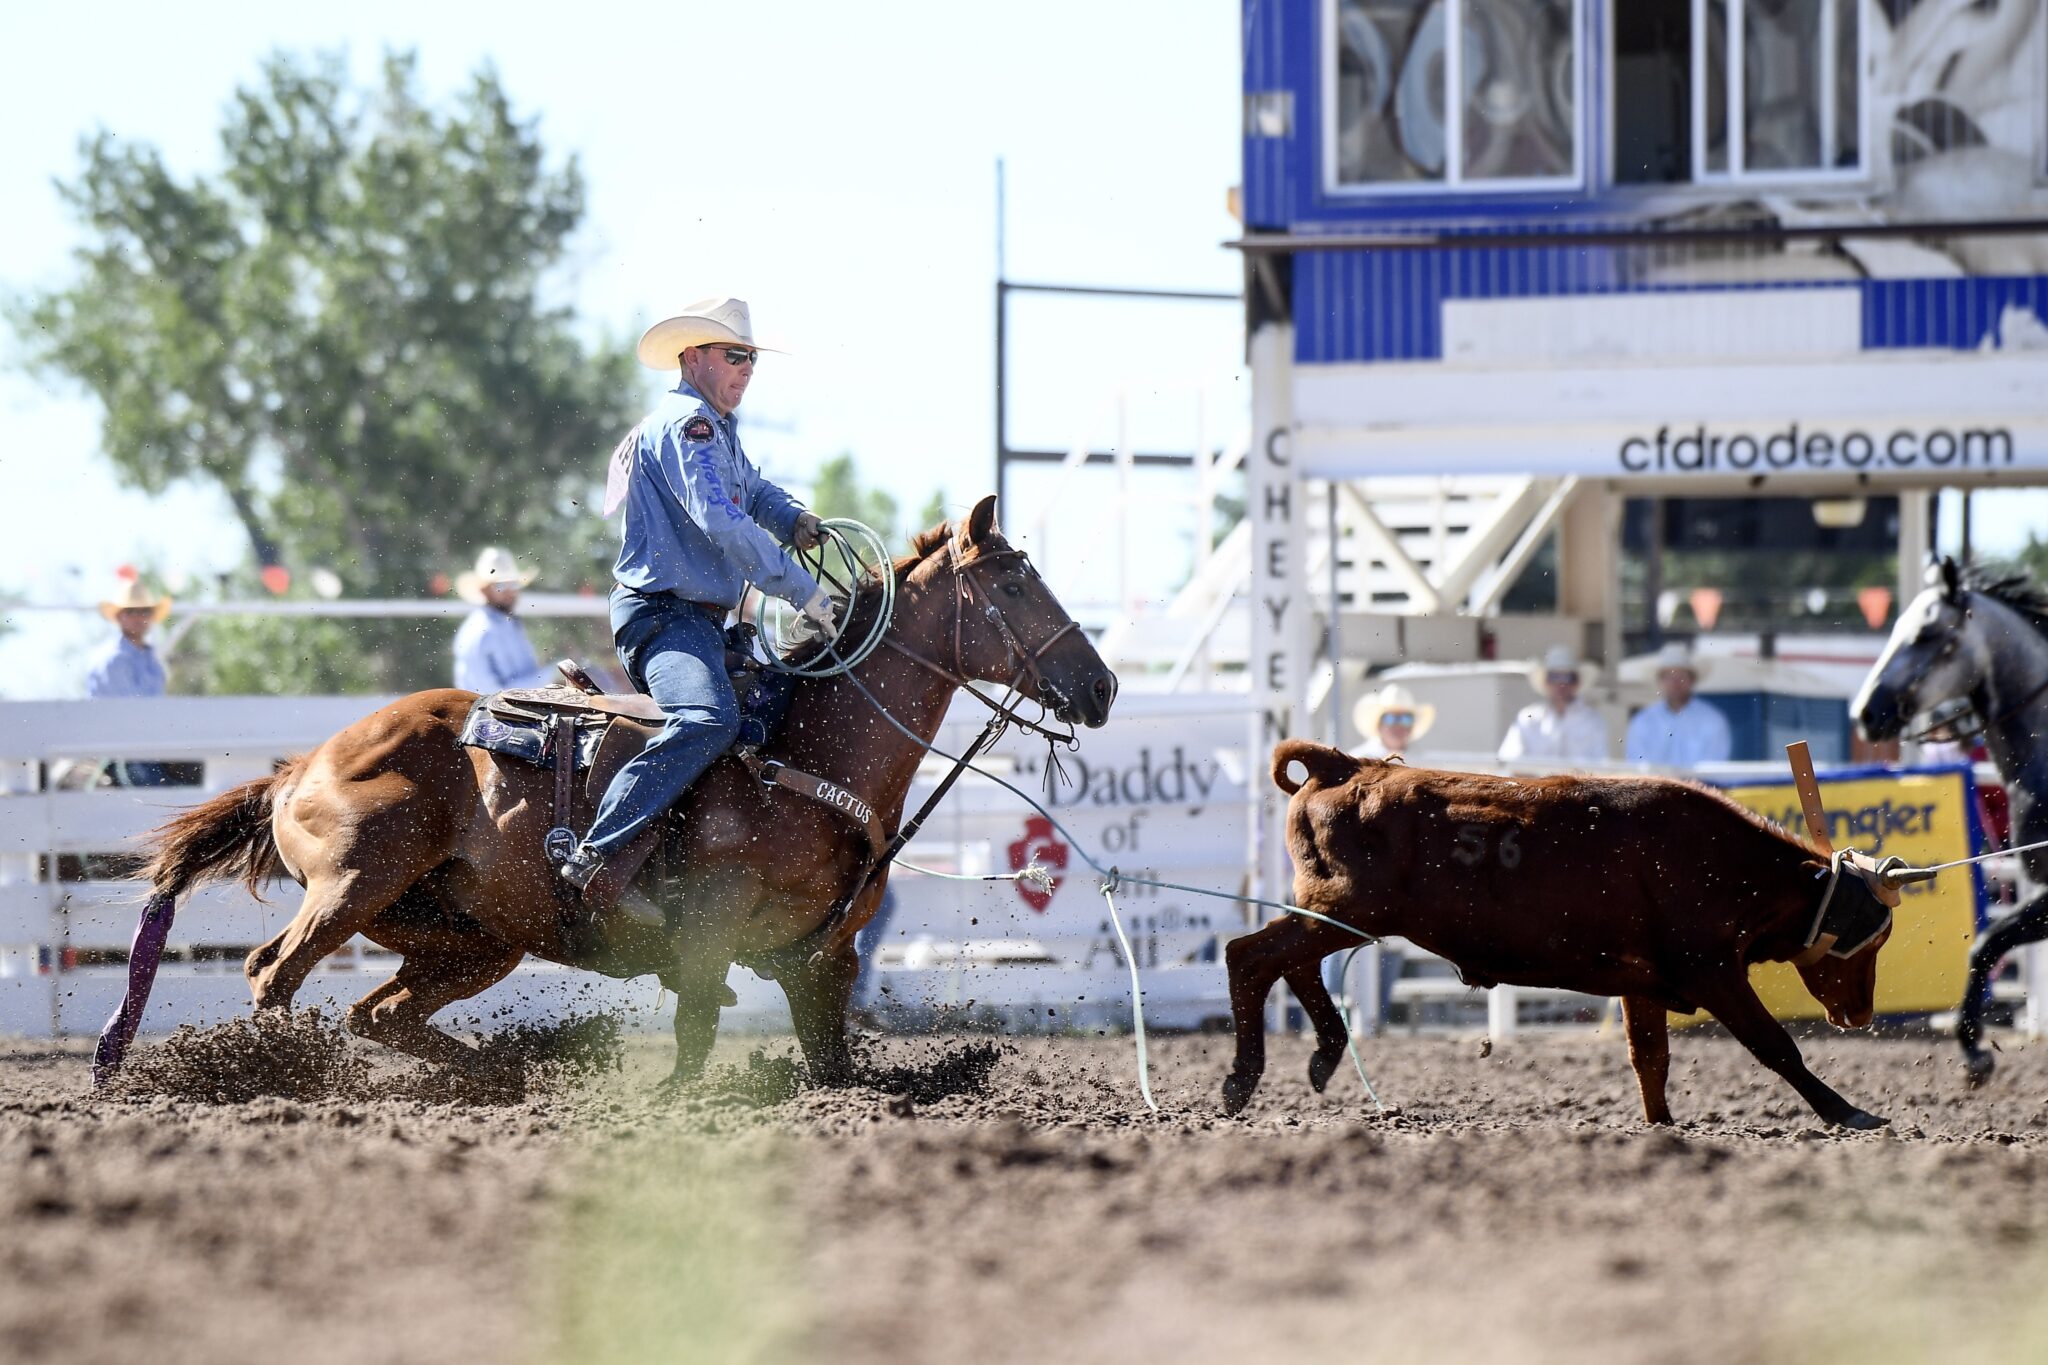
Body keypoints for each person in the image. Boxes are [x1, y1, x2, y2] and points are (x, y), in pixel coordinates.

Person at [558, 297, 834, 923]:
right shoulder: (692, 427)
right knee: (709, 720)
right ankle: (597, 856)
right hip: (665, 619)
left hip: (697, 621)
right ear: (693, 358)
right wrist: (801, 589)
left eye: (751, 360)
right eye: (735, 356)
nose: (746, 369)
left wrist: (794, 519)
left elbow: (752, 491)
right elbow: (719, 516)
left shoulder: (717, 430)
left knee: (770, 717)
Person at [85, 579, 173, 787]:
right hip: (120, 751)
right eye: (131, 611)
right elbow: (131, 717)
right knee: (156, 789)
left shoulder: (151, 659)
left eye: (144, 611)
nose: (139, 617)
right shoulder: (113, 659)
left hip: (147, 746)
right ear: (119, 616)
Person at [451, 547, 553, 693]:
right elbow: (490, 697)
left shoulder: (509, 624)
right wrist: (551, 676)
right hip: (491, 714)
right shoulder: (479, 632)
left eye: (513, 584)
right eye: (499, 585)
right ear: (484, 590)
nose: (509, 590)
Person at [1625, 641, 1732, 767]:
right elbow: (1638, 765)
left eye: (1681, 676)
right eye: (1669, 677)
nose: (1675, 683)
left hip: (1696, 786)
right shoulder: (1643, 721)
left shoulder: (1712, 720)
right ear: (1660, 681)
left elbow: (1714, 767)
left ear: (1692, 680)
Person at [1499, 646, 1609, 763]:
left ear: (1577, 682)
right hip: (1536, 781)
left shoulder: (1592, 720)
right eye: (1555, 677)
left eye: (1568, 678)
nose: (1561, 684)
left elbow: (1601, 766)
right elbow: (1509, 760)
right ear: (1545, 682)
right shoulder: (1528, 717)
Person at [1353, 682, 1435, 759]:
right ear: (1378, 725)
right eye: (1391, 719)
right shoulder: (1359, 759)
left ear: (1412, 726)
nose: (1398, 726)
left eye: (1406, 719)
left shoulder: (1425, 762)